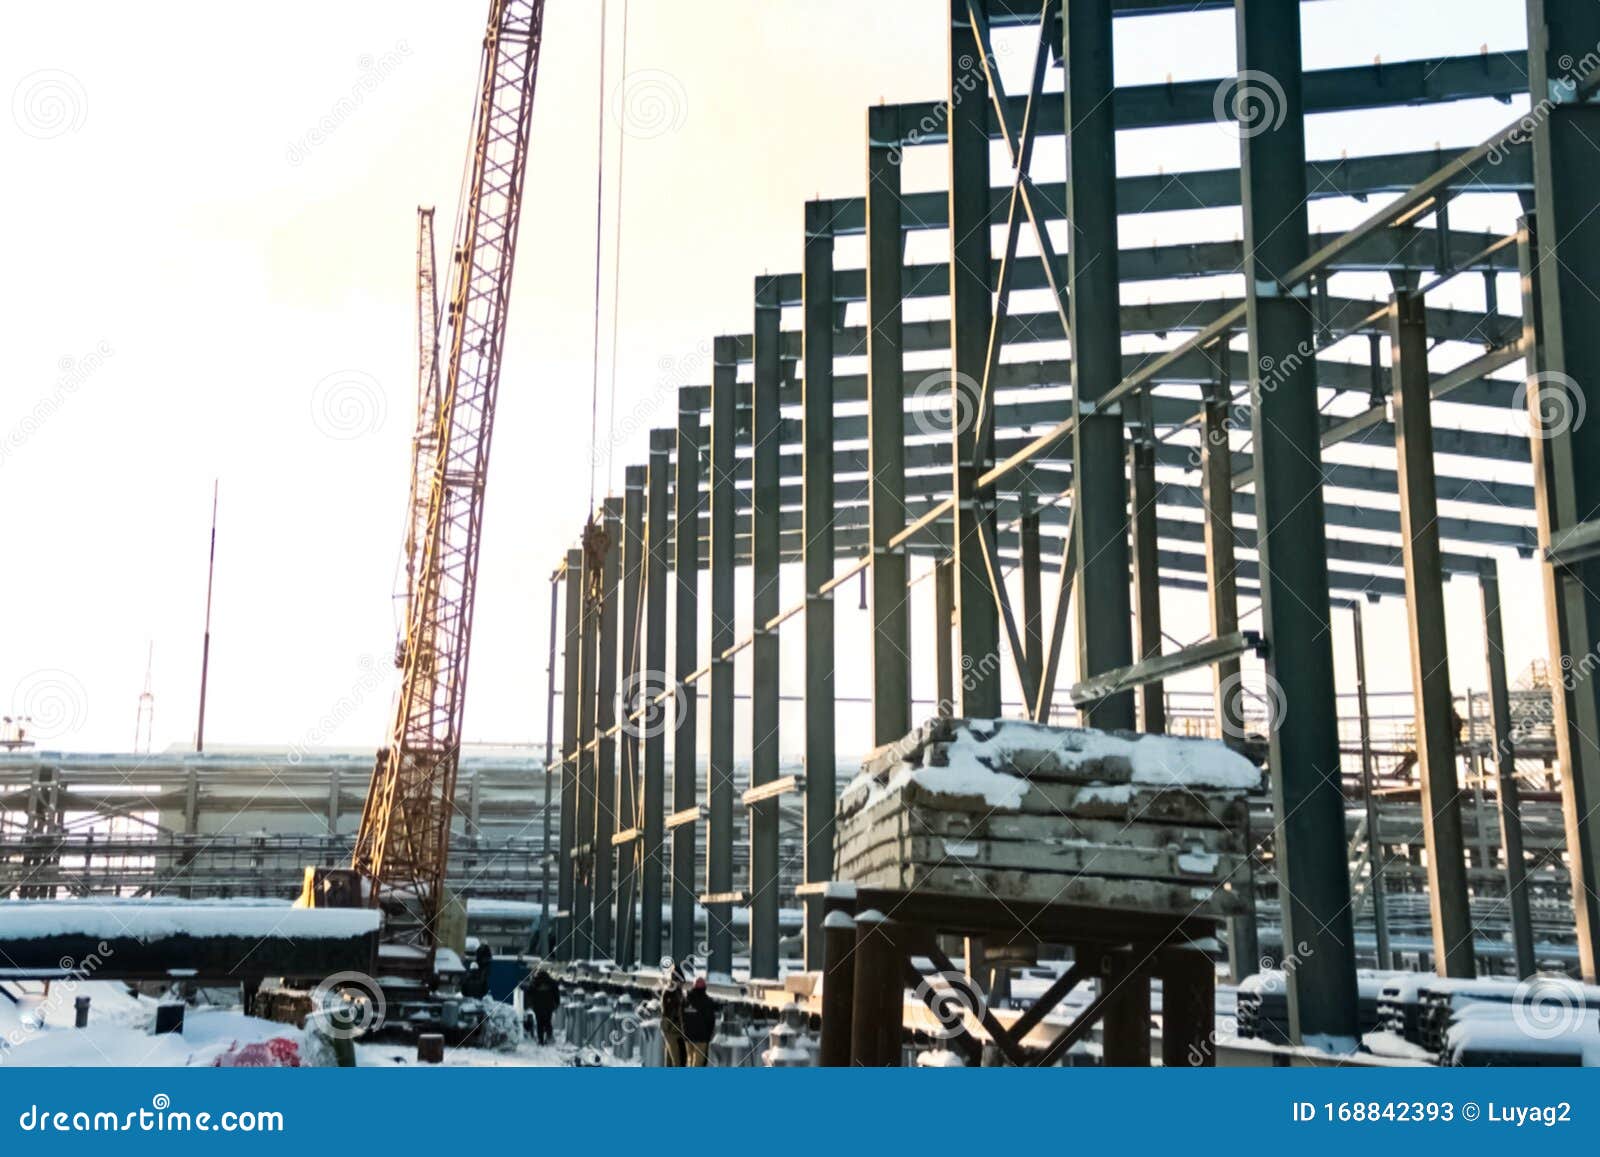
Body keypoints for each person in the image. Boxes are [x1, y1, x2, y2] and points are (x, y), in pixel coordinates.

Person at [681, 976, 718, 1067]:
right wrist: (708, 1036)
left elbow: (681, 1016)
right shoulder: (707, 1002)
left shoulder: (686, 1000)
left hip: (688, 1036)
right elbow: (711, 1020)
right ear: (704, 988)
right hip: (701, 1037)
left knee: (690, 1059)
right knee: (698, 1062)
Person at [659, 964, 687, 1067]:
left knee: (670, 1057)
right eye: (680, 982)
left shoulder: (675, 991)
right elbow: (670, 1011)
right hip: (671, 1029)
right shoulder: (670, 992)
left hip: (672, 1029)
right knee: (676, 1059)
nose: (681, 984)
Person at [527, 968, 560, 1045]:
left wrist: (531, 1004)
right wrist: (556, 1004)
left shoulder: (535, 982)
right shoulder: (552, 982)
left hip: (537, 1007)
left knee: (540, 1023)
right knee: (548, 1021)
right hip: (549, 1006)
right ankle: (549, 1037)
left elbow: (529, 993)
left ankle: (540, 1040)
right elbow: (556, 995)